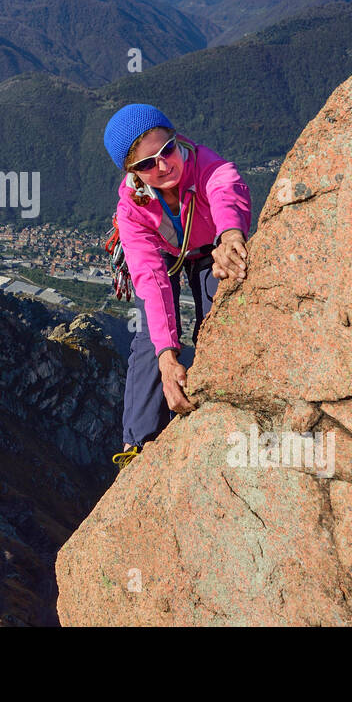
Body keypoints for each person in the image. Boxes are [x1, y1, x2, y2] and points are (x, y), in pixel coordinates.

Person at [102, 104, 252, 469]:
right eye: (146, 164)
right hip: (161, 250)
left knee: (218, 316)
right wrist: (168, 358)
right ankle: (139, 441)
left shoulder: (202, 163)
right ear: (131, 172)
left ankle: (222, 394)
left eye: (166, 150)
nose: (164, 166)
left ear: (176, 139)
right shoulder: (132, 209)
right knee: (151, 338)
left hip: (209, 243)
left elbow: (224, 185)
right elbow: (152, 280)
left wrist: (230, 234)